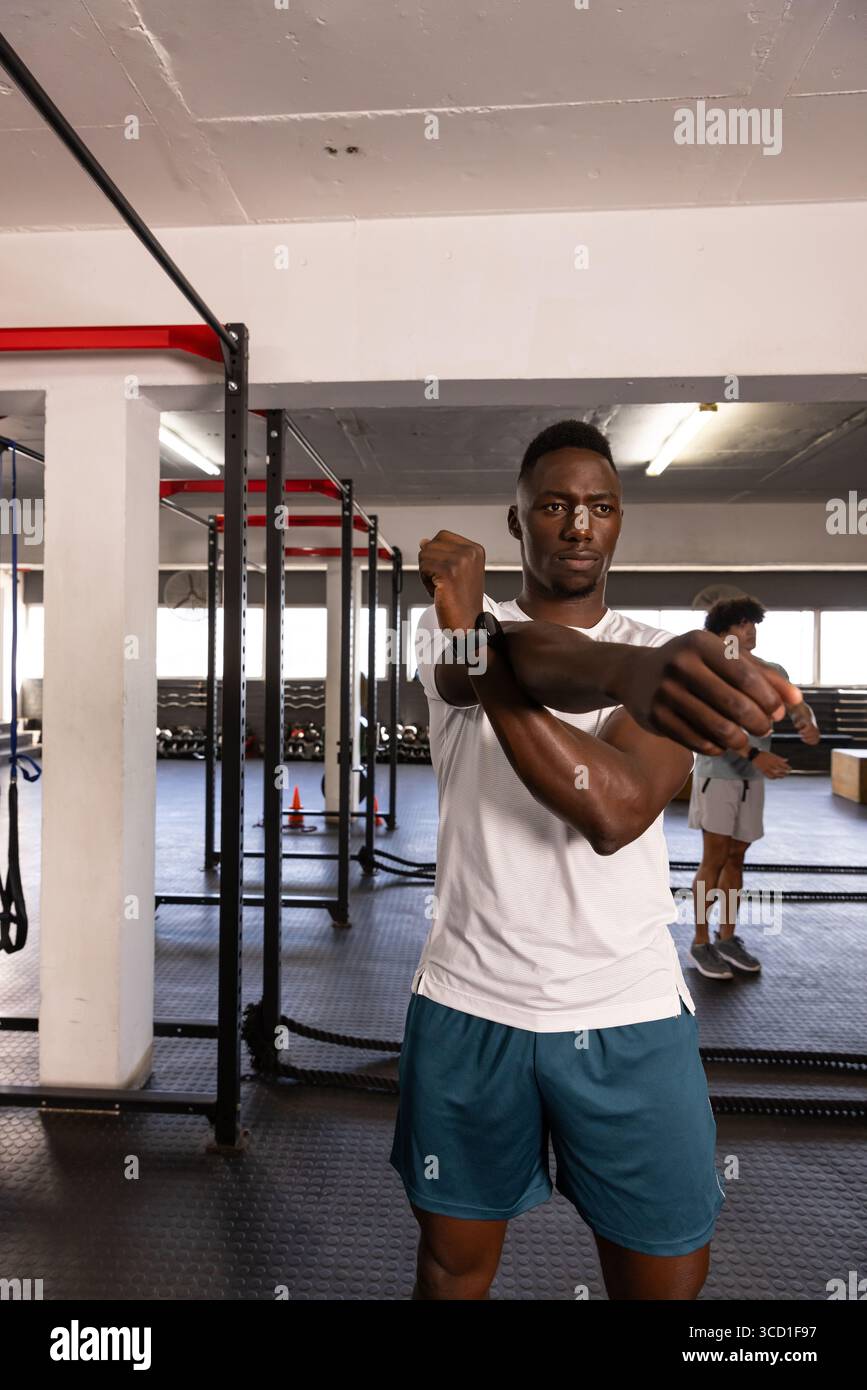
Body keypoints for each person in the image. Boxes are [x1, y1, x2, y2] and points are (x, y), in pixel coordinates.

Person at [389, 419, 807, 1300]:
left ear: (618, 523)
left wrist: (637, 668)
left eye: (599, 507)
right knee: (450, 1267)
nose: (578, 525)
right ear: (516, 522)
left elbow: (612, 810)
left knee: (662, 1277)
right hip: (471, 1004)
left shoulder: (661, 655)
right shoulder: (448, 638)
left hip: (627, 1011)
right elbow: (498, 664)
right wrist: (616, 669)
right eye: (553, 505)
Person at [688, 597, 820, 979]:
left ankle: (726, 936)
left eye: (753, 623)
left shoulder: (772, 670)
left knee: (736, 858)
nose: (750, 630)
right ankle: (700, 942)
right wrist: (754, 755)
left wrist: (807, 721)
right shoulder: (712, 671)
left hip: (751, 780)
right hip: (719, 775)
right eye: (741, 624)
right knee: (713, 859)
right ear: (722, 634)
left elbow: (796, 703)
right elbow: (714, 726)